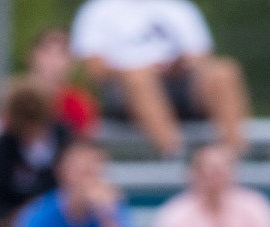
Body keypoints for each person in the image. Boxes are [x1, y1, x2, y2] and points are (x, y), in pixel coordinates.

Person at [70, 0, 248, 157]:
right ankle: (174, 156)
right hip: (124, 90)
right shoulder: (98, 9)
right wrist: (140, 68)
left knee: (224, 71)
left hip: (180, 83)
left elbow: (201, 57)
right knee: (139, 79)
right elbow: (94, 70)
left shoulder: (180, 7)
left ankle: (233, 156)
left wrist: (179, 64)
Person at [0, 77, 73, 225]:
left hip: (60, 222)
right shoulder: (4, 146)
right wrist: (12, 217)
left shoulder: (64, 140)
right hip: (14, 225)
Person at [27, 26, 99, 137]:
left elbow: (84, 145)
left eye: (61, 53)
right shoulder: (17, 99)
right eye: (46, 51)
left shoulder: (79, 103)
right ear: (32, 55)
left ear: (72, 62)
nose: (52, 60)